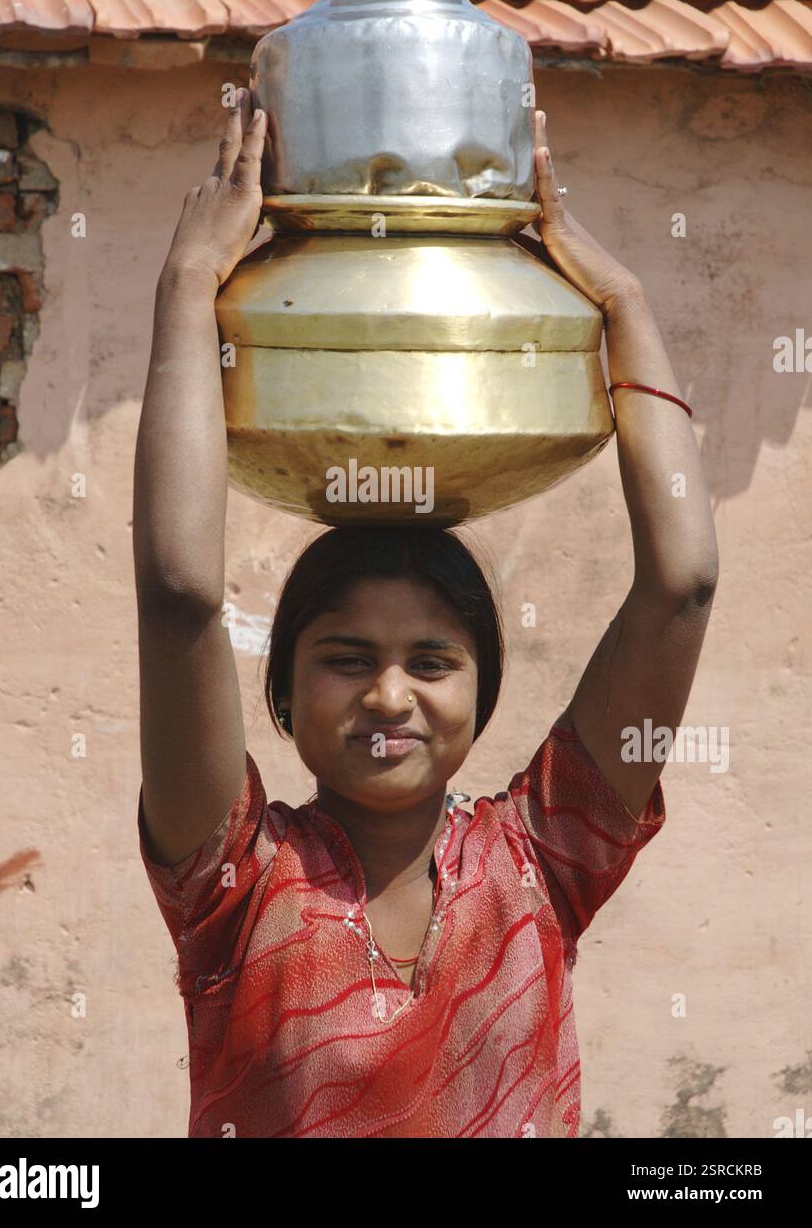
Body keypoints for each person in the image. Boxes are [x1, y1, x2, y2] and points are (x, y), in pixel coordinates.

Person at [133, 90, 719, 1138]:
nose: (389, 694)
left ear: (486, 690)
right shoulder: (233, 889)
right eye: (347, 657)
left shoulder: (540, 862)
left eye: (432, 662)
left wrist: (620, 297)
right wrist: (187, 287)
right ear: (279, 688)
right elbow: (179, 595)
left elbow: (680, 584)